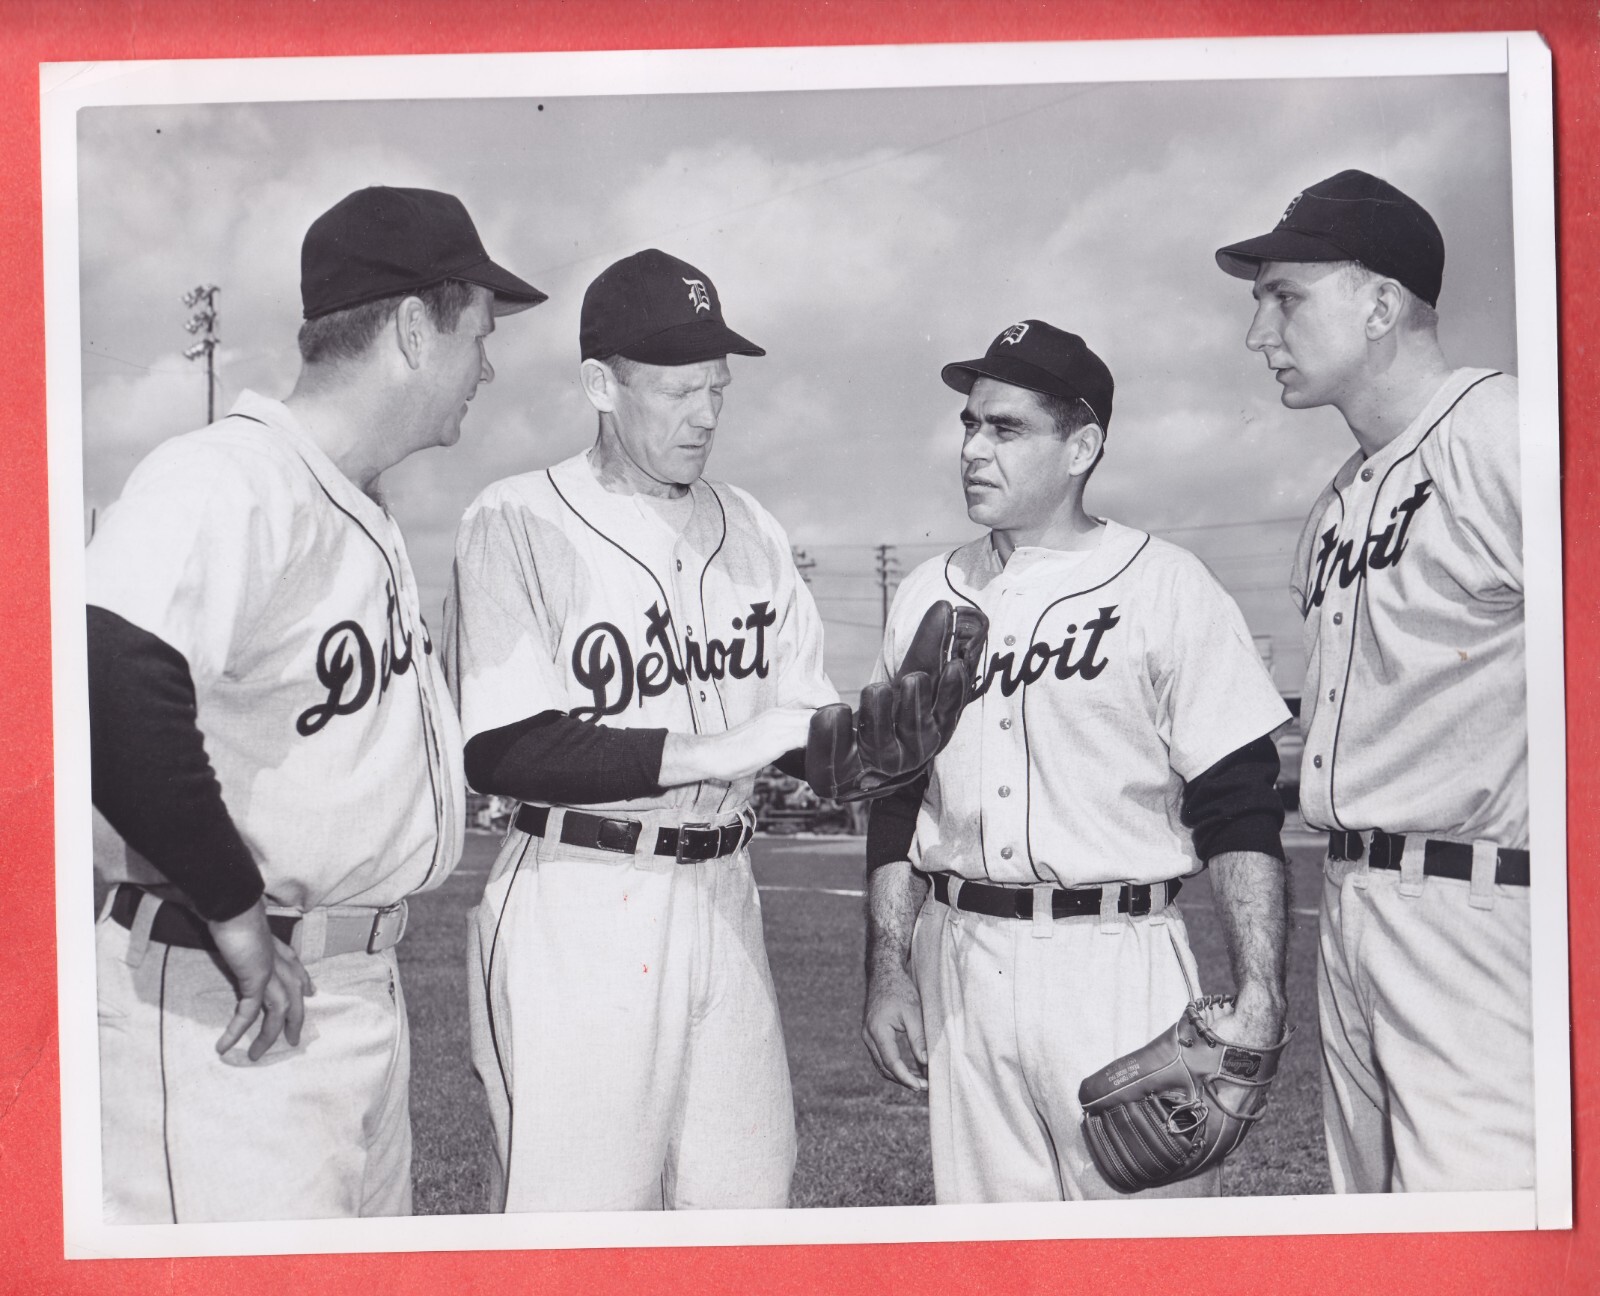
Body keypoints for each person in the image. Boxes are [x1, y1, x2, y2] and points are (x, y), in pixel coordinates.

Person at [86, 185, 544, 1222]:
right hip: (232, 998)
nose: (489, 363)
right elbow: (107, 669)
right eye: (480, 330)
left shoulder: (355, 505)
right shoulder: (231, 477)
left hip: (350, 994)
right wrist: (238, 915)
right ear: (417, 330)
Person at [860, 319, 1292, 1204]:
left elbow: (1240, 803)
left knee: (1147, 1263)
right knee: (994, 1264)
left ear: (1082, 445)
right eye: (970, 426)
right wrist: (888, 972)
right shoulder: (925, 593)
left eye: (1007, 428)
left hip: (1117, 962)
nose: (974, 448)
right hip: (963, 958)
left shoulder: (1164, 584)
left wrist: (1259, 992)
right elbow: (896, 804)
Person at [444, 248, 835, 1212]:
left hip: (725, 897)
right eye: (676, 389)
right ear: (601, 385)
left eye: (718, 386)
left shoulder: (755, 527)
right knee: (575, 1226)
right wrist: (716, 751)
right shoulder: (517, 518)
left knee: (746, 1210)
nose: (706, 412)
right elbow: (503, 746)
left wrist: (875, 740)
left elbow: (810, 726)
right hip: (582, 895)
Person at [1216, 169, 1533, 1193]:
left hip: (1481, 909)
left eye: (1284, 296)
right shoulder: (1340, 496)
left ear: (1381, 303)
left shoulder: (1507, 435)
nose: (1258, 332)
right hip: (1350, 906)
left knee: (1483, 1226)